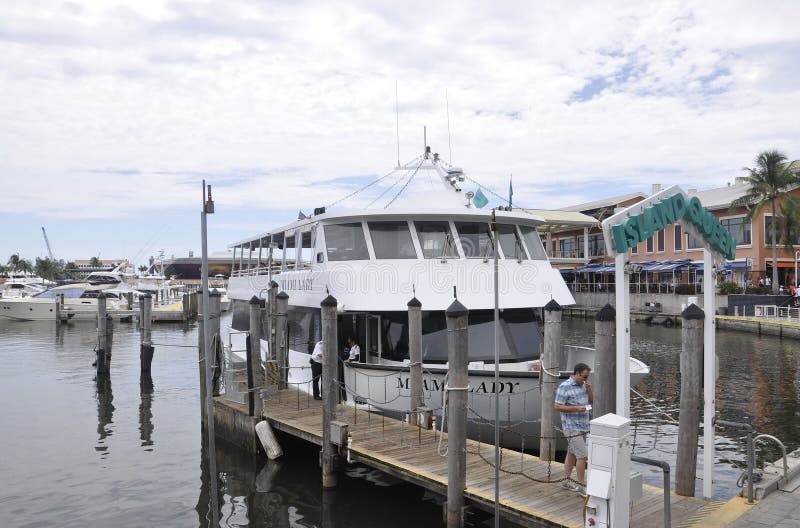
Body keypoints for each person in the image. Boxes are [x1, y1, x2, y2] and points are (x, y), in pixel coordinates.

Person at [554, 363, 593, 497]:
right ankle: (581, 486)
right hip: (571, 427)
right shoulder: (565, 387)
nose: (586, 379)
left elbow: (591, 402)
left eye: (587, 377)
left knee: (571, 453)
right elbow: (557, 406)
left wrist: (589, 390)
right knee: (582, 456)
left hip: (583, 425)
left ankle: (566, 481)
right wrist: (576, 409)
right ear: (577, 373)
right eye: (584, 377)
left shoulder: (584, 385)